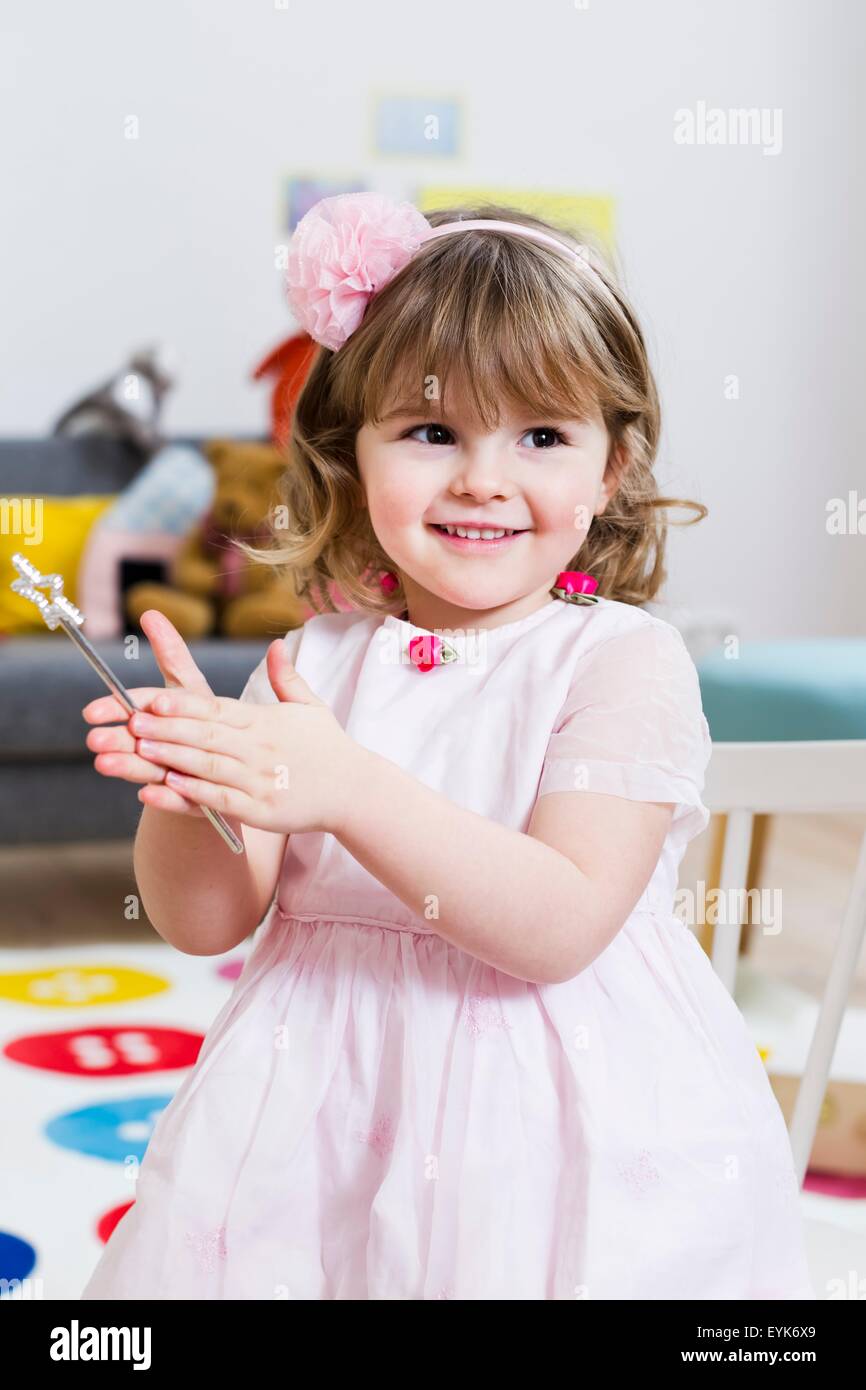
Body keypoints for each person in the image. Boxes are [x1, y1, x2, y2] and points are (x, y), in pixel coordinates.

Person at [79, 192, 814, 1300]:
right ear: (354, 452)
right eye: (431, 432)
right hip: (315, 1111)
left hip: (552, 1126)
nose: (480, 476)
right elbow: (205, 920)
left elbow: (556, 923)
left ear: (608, 469)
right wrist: (192, 797)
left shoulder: (620, 662)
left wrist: (345, 785)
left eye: (540, 435)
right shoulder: (315, 662)